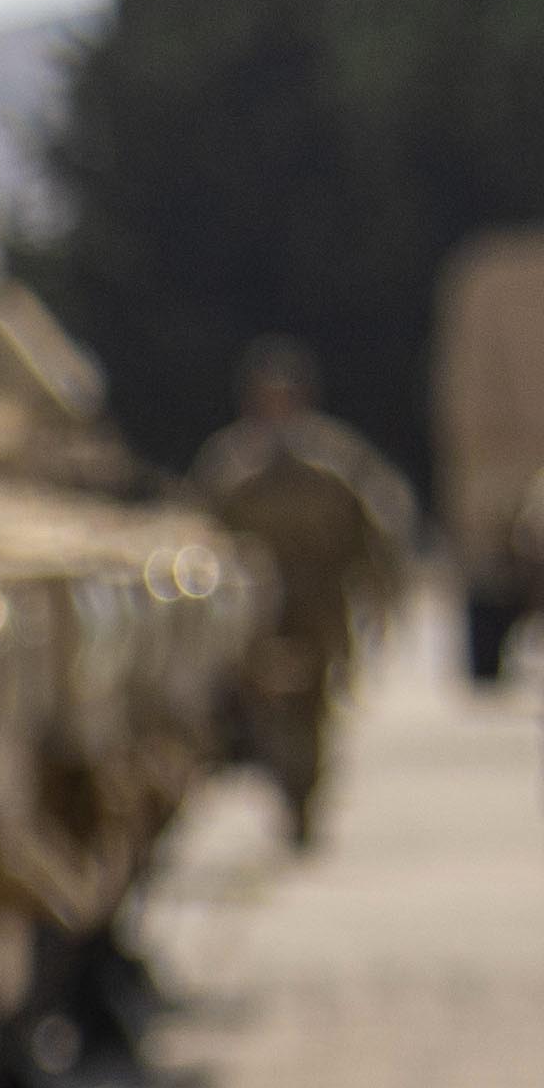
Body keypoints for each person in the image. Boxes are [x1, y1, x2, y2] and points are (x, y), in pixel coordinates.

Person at [192, 338, 417, 847]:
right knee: (270, 709)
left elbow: (375, 532)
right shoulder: (231, 464)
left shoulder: (336, 463)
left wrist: (382, 596)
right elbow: (201, 539)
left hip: (321, 606)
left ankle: (306, 799)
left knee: (316, 707)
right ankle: (288, 790)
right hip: (261, 610)